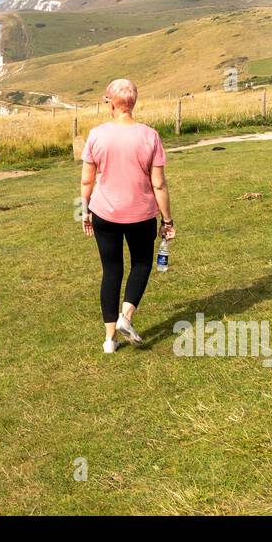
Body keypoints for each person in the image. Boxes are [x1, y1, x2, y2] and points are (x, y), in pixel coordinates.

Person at [79, 78, 174, 354]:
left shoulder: (96, 135)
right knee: (142, 263)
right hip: (141, 214)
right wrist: (167, 221)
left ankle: (110, 340)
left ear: (111, 102)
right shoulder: (149, 136)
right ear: (133, 103)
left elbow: (87, 181)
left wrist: (84, 212)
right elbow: (158, 184)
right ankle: (126, 317)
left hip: (104, 213)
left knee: (111, 270)